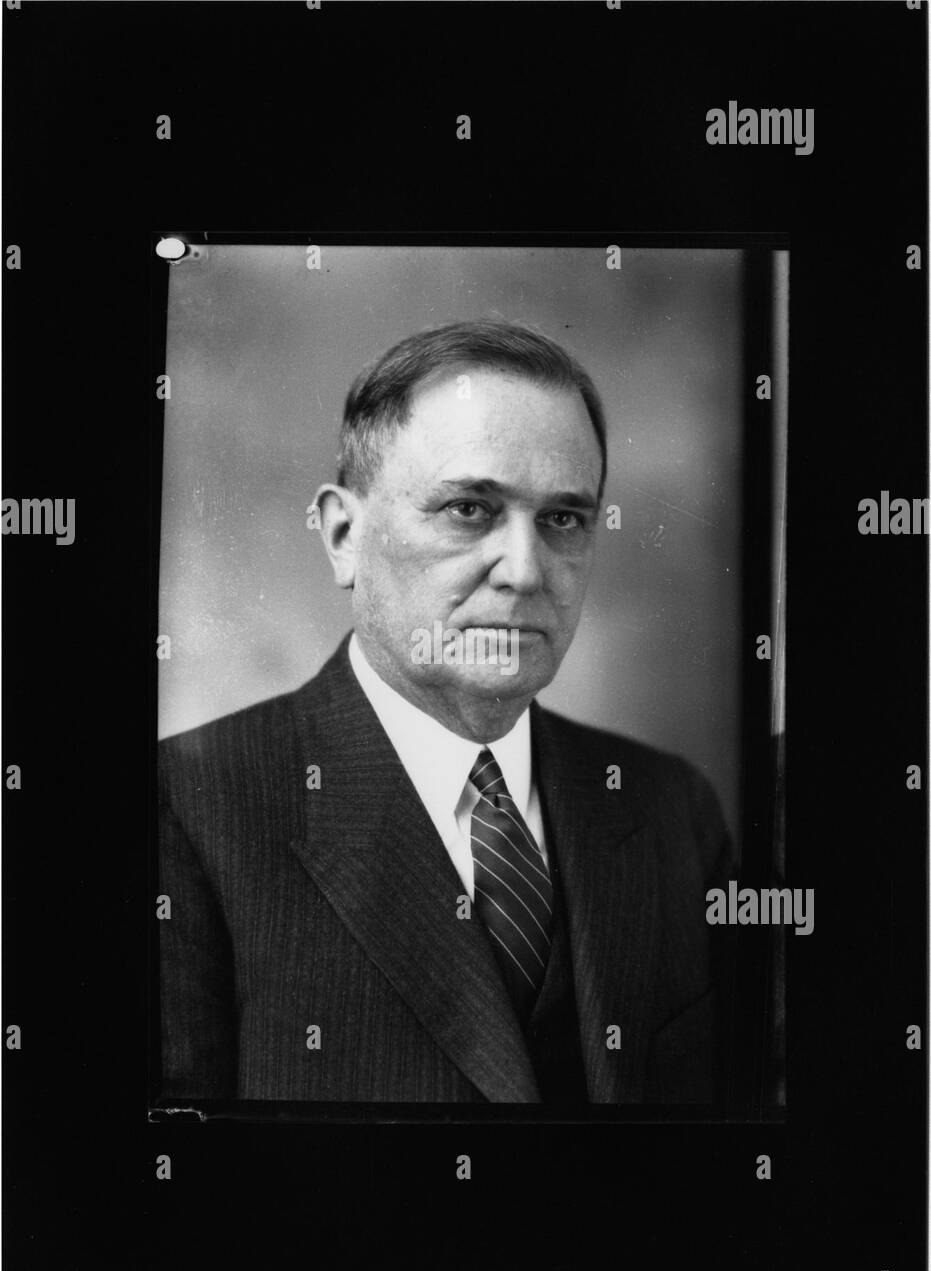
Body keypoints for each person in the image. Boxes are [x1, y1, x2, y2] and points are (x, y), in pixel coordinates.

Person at [158, 319, 744, 1105]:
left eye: (563, 519)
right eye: (469, 509)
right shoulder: (189, 808)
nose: (526, 569)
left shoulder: (671, 807)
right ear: (342, 534)